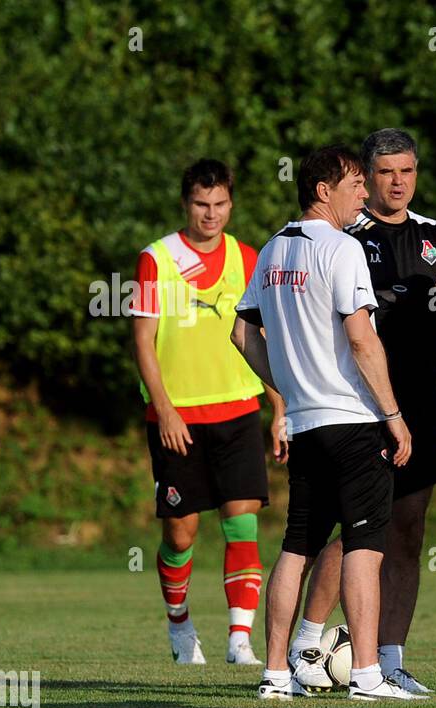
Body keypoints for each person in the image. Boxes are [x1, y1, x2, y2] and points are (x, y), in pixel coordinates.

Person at [289, 129, 436, 695]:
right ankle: (309, 641)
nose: (399, 182)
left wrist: (414, 297)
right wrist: (419, 297)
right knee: (354, 530)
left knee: (408, 529)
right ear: (366, 177)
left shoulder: (434, 233)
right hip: (364, 401)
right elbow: (372, 311)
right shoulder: (348, 234)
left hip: (421, 400)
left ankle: (390, 658)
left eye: (408, 171)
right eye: (387, 172)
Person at [231, 144, 418, 701]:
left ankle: (274, 674)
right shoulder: (341, 248)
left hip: (306, 425)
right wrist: (393, 415)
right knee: (365, 544)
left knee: (298, 545)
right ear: (323, 190)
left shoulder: (270, 250)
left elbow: (241, 333)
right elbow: (362, 338)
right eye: (356, 183)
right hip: (353, 420)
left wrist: (287, 388)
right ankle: (366, 675)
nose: (365, 192)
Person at [131, 158, 286, 667]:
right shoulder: (155, 259)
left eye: (220, 204)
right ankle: (179, 627)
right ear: (185, 203)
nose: (211, 213)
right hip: (176, 419)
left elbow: (261, 338)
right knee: (181, 531)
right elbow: (143, 342)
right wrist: (165, 408)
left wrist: (279, 405)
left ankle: (240, 639)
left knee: (241, 523)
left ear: (231, 204)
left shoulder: (248, 258)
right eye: (201, 203)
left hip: (238, 410)